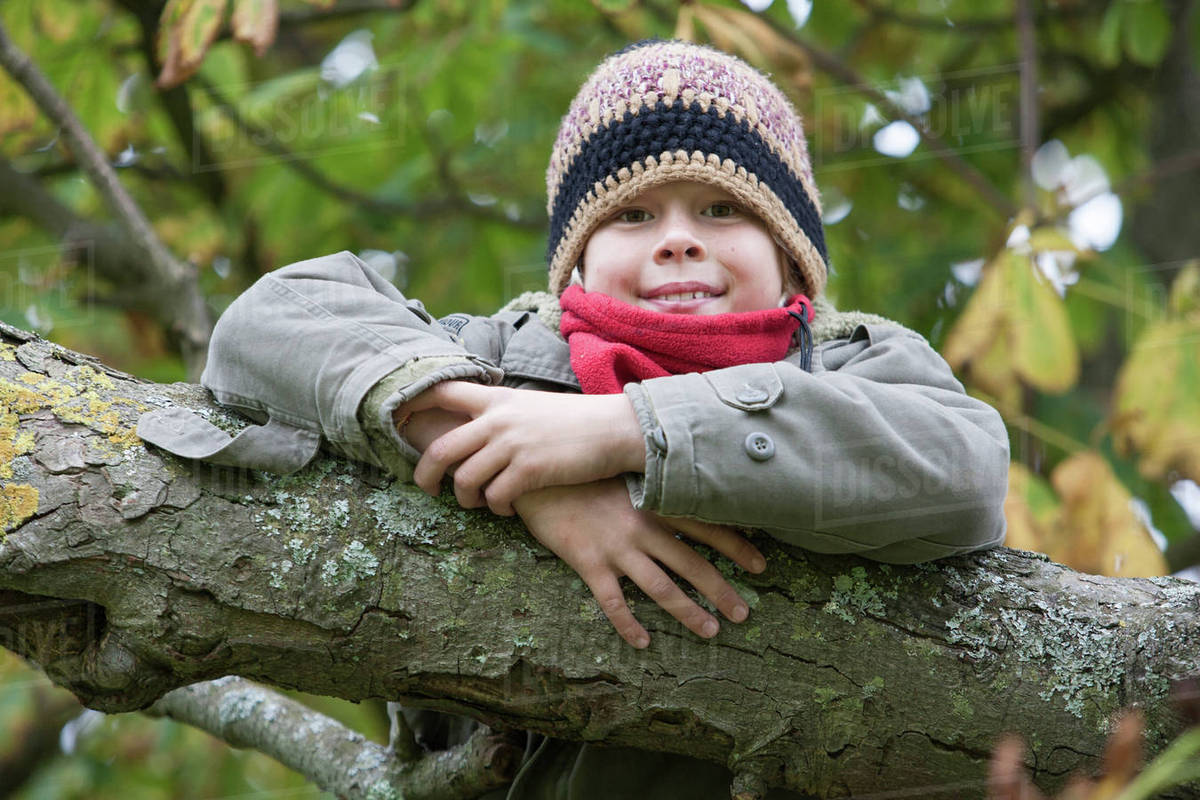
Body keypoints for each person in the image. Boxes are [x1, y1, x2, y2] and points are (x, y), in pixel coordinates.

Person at [139, 39, 1009, 798]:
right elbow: (266, 322)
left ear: (791, 260)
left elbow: (963, 473)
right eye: (632, 213)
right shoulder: (504, 350)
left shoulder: (852, 361)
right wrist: (517, 470)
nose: (678, 238)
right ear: (577, 263)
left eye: (723, 208)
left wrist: (621, 434)